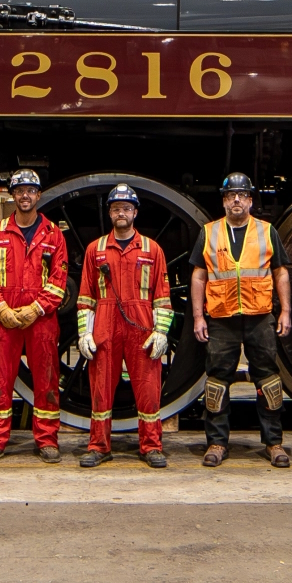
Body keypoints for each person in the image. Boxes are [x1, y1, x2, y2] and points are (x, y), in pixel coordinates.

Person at [190, 172, 292, 468]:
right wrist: (199, 316)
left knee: (269, 380)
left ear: (250, 201)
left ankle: (274, 443)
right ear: (224, 201)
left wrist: (285, 310)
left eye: (242, 195)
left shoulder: (267, 230)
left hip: (260, 317)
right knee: (217, 382)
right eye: (230, 195)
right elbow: (199, 276)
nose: (236, 200)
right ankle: (217, 443)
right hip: (222, 318)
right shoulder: (209, 232)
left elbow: (280, 272)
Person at [74, 184, 175, 468]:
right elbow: (85, 295)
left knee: (148, 387)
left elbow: (162, 295)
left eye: (127, 208)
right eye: (116, 208)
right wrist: (84, 332)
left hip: (141, 325)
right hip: (105, 324)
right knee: (101, 388)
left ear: (135, 213)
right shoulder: (96, 250)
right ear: (110, 213)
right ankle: (98, 446)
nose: (122, 213)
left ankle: (151, 446)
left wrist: (161, 331)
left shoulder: (152, 250)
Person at [0, 169, 70, 464]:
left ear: (38, 195)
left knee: (46, 380)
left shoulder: (54, 235)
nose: (25, 195)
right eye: (20, 190)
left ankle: (47, 440)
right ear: (13, 195)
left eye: (30, 190)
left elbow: (59, 280)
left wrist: (36, 309)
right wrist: (2, 309)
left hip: (40, 320)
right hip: (5, 320)